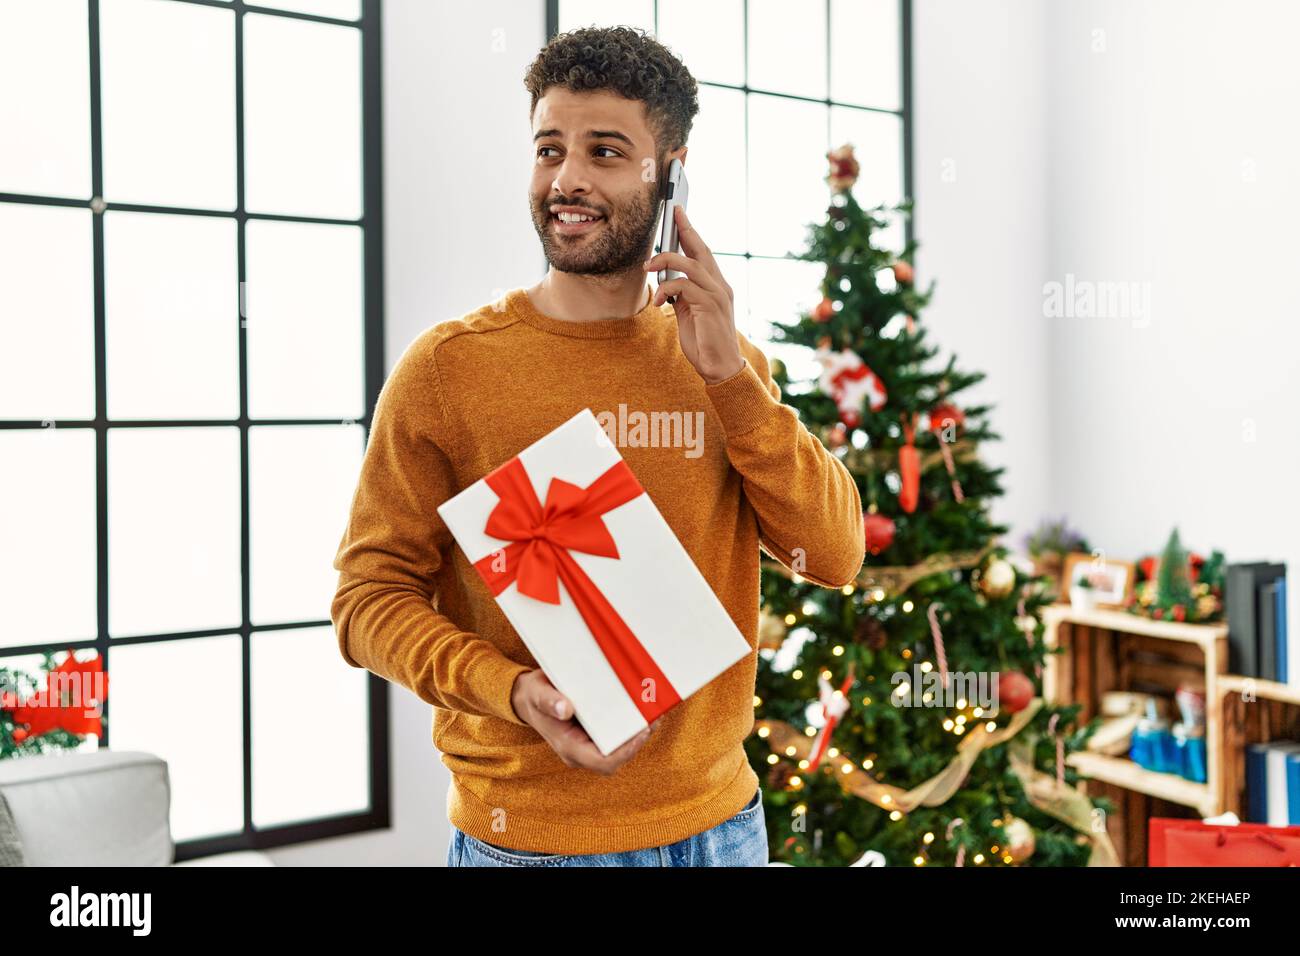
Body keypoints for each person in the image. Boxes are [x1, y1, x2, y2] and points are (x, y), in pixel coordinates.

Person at [331, 25, 865, 867]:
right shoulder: (448, 370)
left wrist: (729, 376)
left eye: (606, 151)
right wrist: (513, 691)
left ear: (670, 173)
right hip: (526, 845)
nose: (567, 179)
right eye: (549, 149)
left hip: (723, 833)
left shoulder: (726, 363)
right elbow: (366, 600)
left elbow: (834, 554)